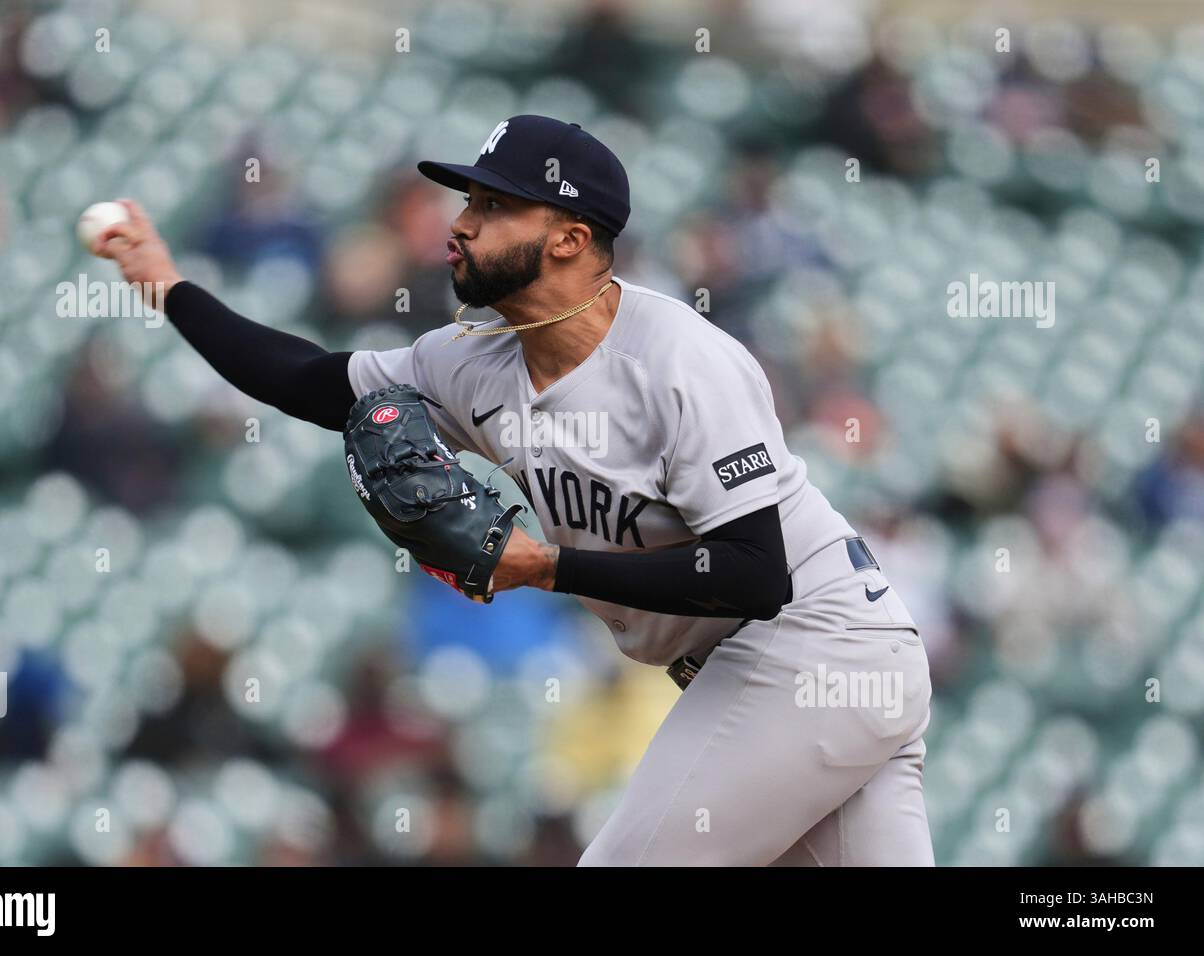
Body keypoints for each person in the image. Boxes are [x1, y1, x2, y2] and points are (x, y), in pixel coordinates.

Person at [93, 114, 935, 866]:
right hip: (802, 667)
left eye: (492, 207)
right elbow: (308, 380)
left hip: (811, 646)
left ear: (569, 237)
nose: (460, 223)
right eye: (469, 202)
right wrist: (168, 287)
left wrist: (545, 568)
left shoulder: (679, 360)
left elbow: (756, 572)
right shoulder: (475, 359)